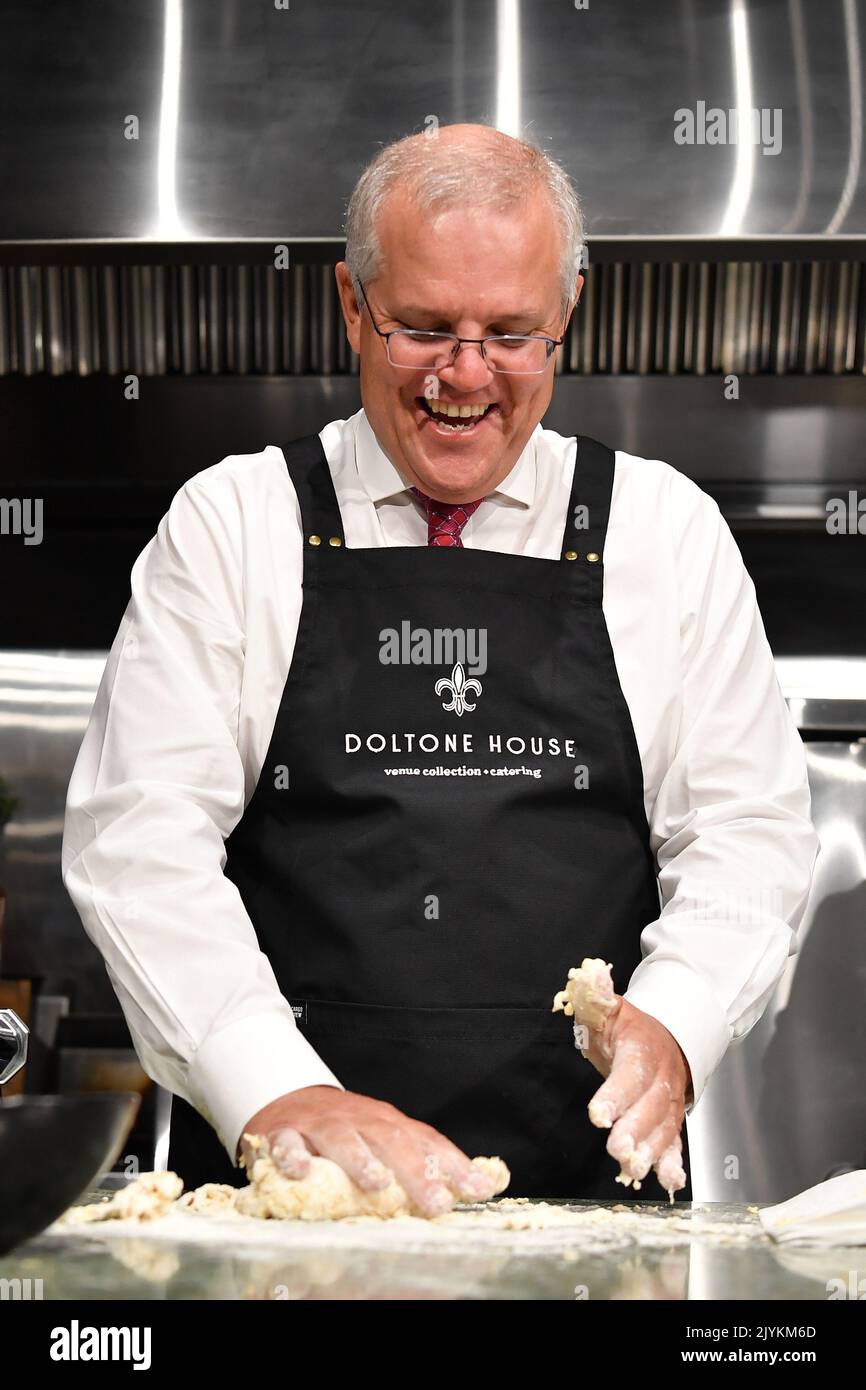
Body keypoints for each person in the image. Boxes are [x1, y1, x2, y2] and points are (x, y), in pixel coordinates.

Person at [62, 124, 819, 1212]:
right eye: (423, 327)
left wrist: (679, 1015)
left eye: (511, 333)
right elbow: (137, 840)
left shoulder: (663, 531)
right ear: (349, 306)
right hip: (283, 1213)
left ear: (564, 319)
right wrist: (273, 1092)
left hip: (587, 1223)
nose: (465, 375)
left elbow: (747, 830)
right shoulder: (233, 525)